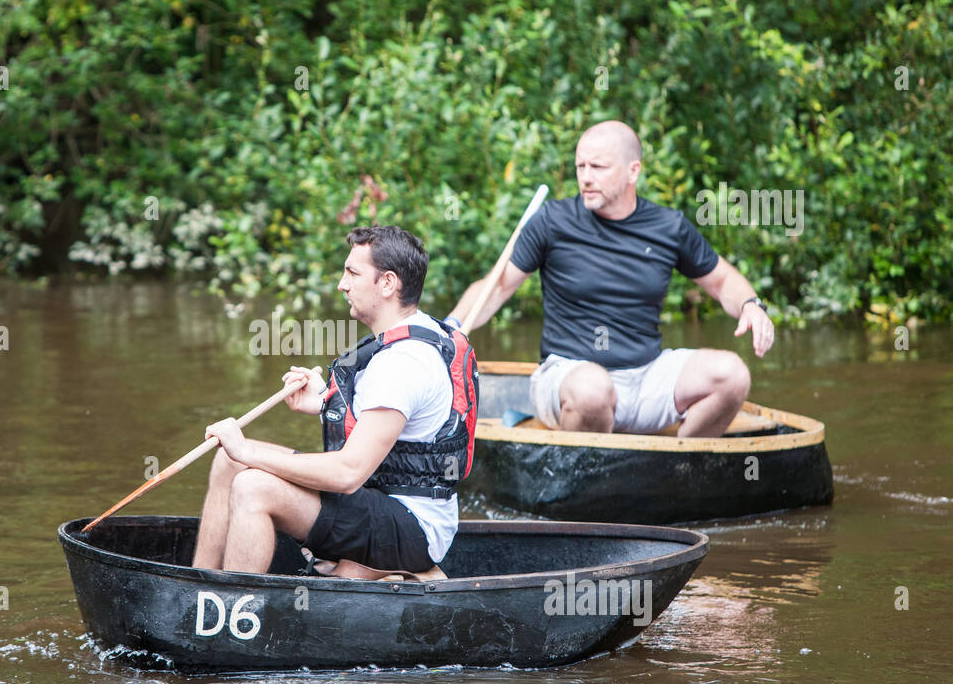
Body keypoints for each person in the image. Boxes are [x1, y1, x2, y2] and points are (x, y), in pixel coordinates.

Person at [446, 120, 775, 438]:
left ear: (633, 171)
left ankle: (685, 466)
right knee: (593, 389)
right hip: (568, 377)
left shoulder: (668, 227)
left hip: (645, 374)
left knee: (732, 375)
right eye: (580, 167)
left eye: (598, 168)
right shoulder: (553, 221)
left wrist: (751, 305)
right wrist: (449, 331)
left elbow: (722, 281)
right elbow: (497, 286)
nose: (586, 178)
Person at [193, 224, 476, 576]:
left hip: (412, 528)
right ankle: (199, 585)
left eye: (353, 273)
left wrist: (248, 451)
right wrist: (326, 401)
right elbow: (388, 428)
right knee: (227, 463)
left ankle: (236, 611)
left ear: (387, 283)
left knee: (253, 486)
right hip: (382, 501)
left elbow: (348, 473)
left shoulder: (404, 364)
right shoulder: (411, 334)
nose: (342, 284)